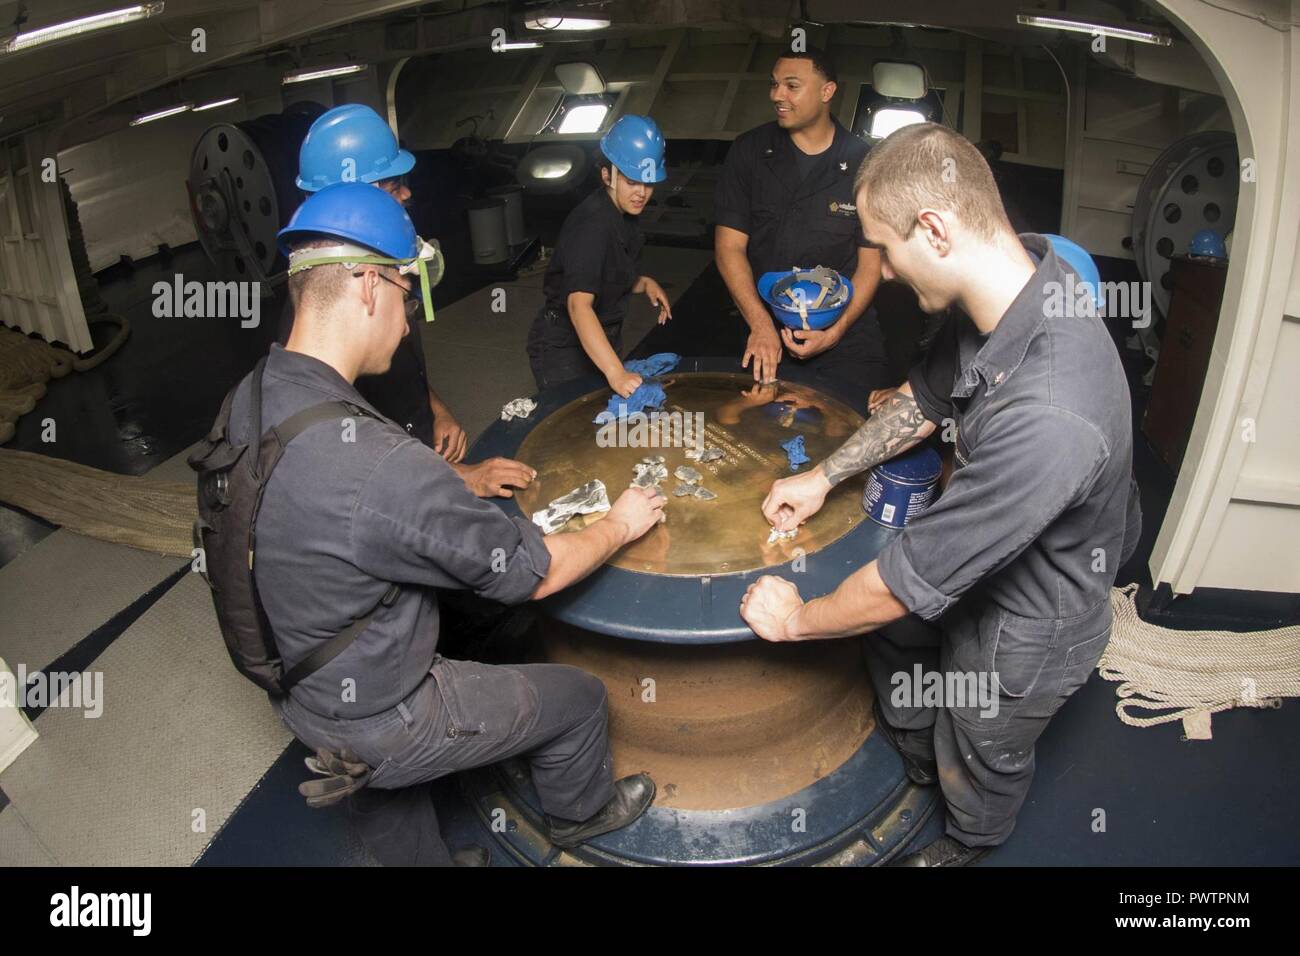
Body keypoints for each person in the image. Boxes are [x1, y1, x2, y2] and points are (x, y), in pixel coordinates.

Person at [739, 123, 1142, 867]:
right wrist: (820, 476)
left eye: (885, 249)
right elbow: (924, 402)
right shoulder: (1015, 288)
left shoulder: (1052, 412)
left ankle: (971, 839)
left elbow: (901, 585)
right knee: (909, 657)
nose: (883, 273)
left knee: (978, 736)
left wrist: (796, 622)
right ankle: (921, 752)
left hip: (1033, 620)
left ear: (934, 227)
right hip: (988, 561)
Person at [232, 182, 663, 865]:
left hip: (295, 686)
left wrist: (453, 482)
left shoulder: (255, 392)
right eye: (407, 299)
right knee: (578, 699)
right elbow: (534, 573)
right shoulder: (377, 465)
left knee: (381, 792)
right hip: (383, 713)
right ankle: (581, 814)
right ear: (369, 287)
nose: (408, 325)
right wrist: (619, 522)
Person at [275, 103, 529, 498]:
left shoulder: (380, 269)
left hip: (416, 450)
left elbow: (400, 366)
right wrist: (463, 477)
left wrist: (435, 409)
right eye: (394, 184)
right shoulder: (324, 326)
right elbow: (364, 464)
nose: (408, 192)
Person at [714, 47, 891, 402]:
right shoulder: (749, 151)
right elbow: (729, 247)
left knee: (850, 434)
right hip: (766, 327)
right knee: (757, 433)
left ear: (827, 92)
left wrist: (835, 332)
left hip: (846, 335)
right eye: (775, 84)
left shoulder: (865, 164)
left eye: (791, 86)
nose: (776, 95)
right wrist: (761, 325)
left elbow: (870, 266)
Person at [527, 115, 673, 396]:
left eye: (649, 182)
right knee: (570, 426)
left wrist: (643, 283)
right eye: (632, 181)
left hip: (604, 336)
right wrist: (615, 372)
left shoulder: (623, 213)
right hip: (564, 347)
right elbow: (578, 306)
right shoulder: (593, 226)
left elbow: (610, 269)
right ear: (607, 174)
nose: (641, 193)